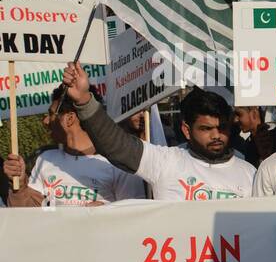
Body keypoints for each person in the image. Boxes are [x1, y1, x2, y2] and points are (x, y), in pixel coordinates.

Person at [62, 63, 256, 200]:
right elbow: (116, 146)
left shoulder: (250, 173)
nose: (216, 136)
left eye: (222, 128)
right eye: (206, 129)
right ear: (186, 130)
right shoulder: (166, 161)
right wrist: (84, 101)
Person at [3, 87, 146, 207]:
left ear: (70, 119)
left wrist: (106, 211)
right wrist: (20, 185)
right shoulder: (45, 159)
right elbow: (28, 215)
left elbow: (135, 215)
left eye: (51, 114)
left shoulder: (120, 163)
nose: (45, 121)